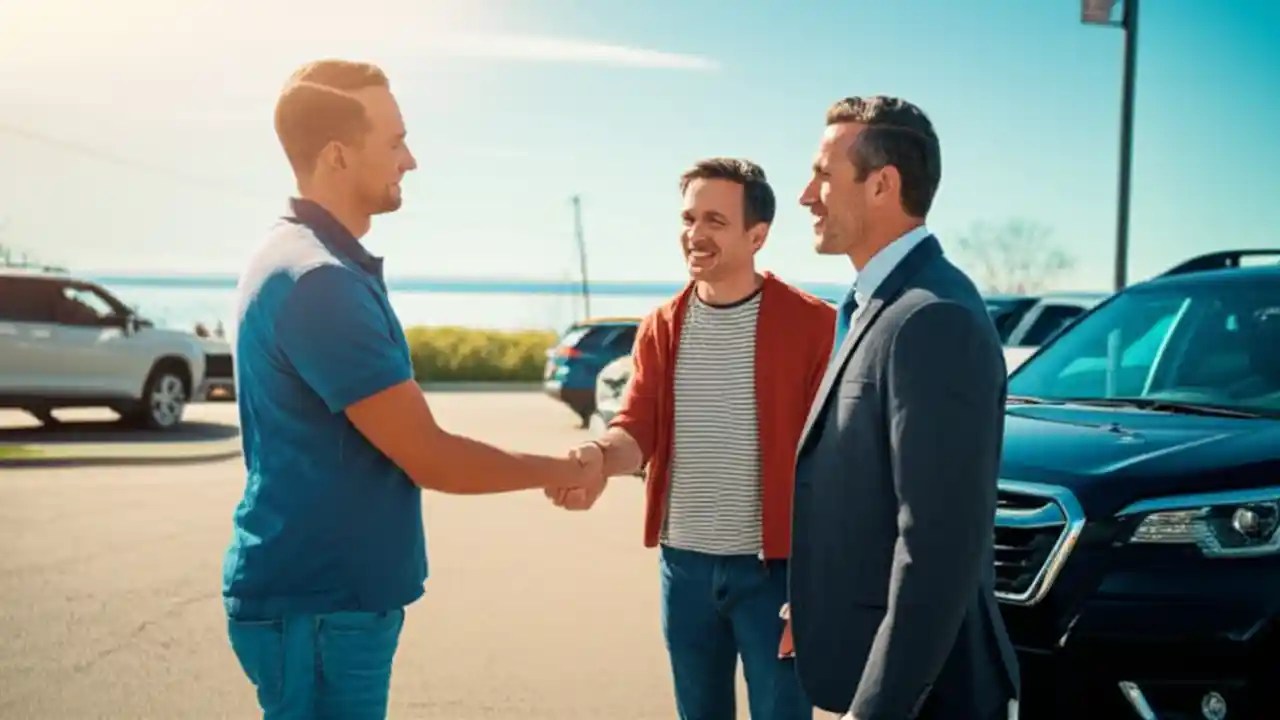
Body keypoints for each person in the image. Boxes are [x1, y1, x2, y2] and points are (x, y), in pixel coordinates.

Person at [222, 59, 602, 719]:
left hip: (323, 607)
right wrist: (567, 466)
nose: (412, 160)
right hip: (321, 610)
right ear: (338, 155)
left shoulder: (299, 256)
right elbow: (430, 456)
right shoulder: (321, 281)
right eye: (395, 141)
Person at [548, 158, 834, 719]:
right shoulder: (662, 324)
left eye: (714, 221)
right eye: (688, 218)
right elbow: (636, 427)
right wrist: (598, 458)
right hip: (685, 570)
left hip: (774, 574)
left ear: (758, 235)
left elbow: (832, 461)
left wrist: (817, 585)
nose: (695, 235)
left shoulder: (812, 324)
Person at [786, 96, 1020, 720]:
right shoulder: (872, 306)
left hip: (923, 697)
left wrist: (876, 710)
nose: (807, 195)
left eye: (824, 175)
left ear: (883, 184)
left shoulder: (932, 317)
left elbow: (937, 549)